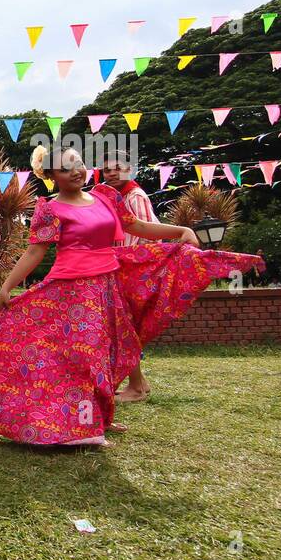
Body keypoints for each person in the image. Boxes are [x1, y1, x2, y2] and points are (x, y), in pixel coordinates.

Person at [0, 146, 263, 447]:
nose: (76, 171)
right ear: (53, 176)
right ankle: (82, 425)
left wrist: (178, 231)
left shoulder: (105, 198)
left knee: (107, 352)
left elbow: (139, 226)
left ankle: (97, 415)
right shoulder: (50, 208)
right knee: (84, 355)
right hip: (71, 291)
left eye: (78, 164)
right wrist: (7, 285)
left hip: (107, 286)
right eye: (66, 168)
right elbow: (35, 251)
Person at [101, 153, 159, 402]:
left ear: (130, 170)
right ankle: (139, 384)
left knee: (124, 328)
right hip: (122, 267)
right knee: (125, 327)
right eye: (106, 171)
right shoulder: (118, 198)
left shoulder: (135, 197)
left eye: (117, 169)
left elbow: (145, 234)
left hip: (131, 269)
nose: (111, 174)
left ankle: (135, 387)